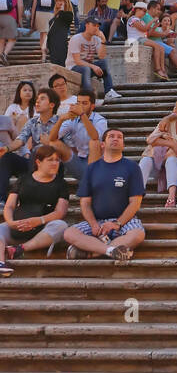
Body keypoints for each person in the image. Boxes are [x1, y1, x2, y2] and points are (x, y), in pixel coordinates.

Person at [63, 129, 146, 263]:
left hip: (124, 221)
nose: (116, 139)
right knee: (69, 233)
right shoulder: (92, 168)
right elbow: (85, 203)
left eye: (120, 137)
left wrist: (117, 223)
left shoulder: (132, 167)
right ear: (102, 144)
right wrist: (93, 224)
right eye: (111, 136)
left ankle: (93, 253)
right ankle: (112, 251)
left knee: (137, 234)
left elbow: (135, 203)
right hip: (98, 221)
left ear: (123, 144)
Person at [0, 144, 69, 276]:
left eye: (57, 160)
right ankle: (1, 263)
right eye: (50, 160)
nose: (55, 163)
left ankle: (19, 249)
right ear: (38, 162)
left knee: (61, 226)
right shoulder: (23, 179)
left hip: (43, 229)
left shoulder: (61, 183)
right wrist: (10, 222)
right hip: (19, 225)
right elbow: (9, 206)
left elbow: (60, 212)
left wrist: (38, 221)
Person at [139, 97, 177, 207]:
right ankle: (137, 193)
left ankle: (171, 196)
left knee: (172, 159)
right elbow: (150, 140)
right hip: (159, 164)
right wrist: (172, 144)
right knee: (146, 160)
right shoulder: (168, 122)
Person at [50, 91, 107, 181]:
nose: (80, 106)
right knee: (55, 144)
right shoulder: (73, 119)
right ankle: (52, 181)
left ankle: (89, 183)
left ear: (92, 106)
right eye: (78, 103)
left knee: (94, 143)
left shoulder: (100, 120)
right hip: (79, 161)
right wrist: (61, 119)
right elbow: (52, 138)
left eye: (84, 103)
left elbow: (95, 136)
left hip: (98, 165)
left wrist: (82, 115)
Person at [65, 17, 123, 102]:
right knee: (86, 68)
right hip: (73, 68)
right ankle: (89, 97)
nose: (96, 28)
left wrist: (103, 41)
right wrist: (93, 66)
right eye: (93, 25)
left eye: (97, 26)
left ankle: (109, 91)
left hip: (88, 68)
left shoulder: (96, 39)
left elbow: (101, 56)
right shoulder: (76, 39)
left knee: (103, 62)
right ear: (87, 25)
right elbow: (77, 61)